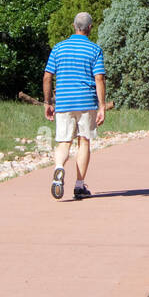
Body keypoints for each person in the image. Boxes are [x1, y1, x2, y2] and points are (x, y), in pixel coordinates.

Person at [42, 12, 107, 201]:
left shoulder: (58, 48)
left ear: (73, 26)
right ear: (90, 28)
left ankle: (59, 168)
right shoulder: (94, 49)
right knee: (84, 141)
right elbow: (99, 78)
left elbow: (47, 76)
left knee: (64, 142)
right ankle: (79, 185)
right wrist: (102, 105)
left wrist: (48, 102)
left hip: (64, 102)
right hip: (86, 102)